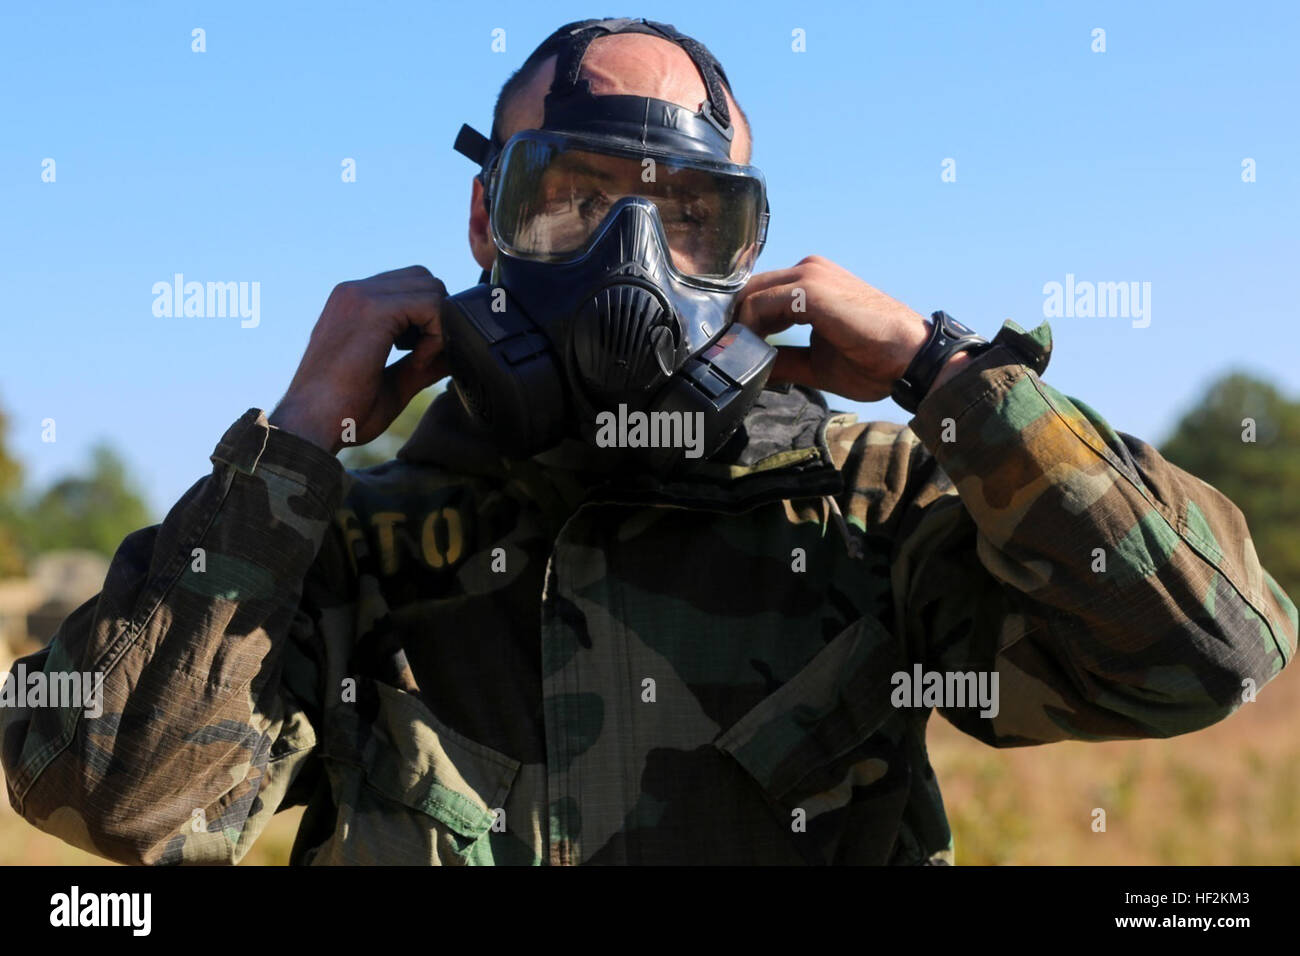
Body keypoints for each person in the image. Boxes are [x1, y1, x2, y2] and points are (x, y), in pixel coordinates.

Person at [2, 17, 1294, 866]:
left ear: (752, 254)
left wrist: (945, 374)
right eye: (569, 199)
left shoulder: (858, 514)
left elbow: (1212, 653)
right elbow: (106, 795)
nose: (633, 264)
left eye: (690, 217)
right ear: (482, 222)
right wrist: (292, 450)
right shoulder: (354, 546)